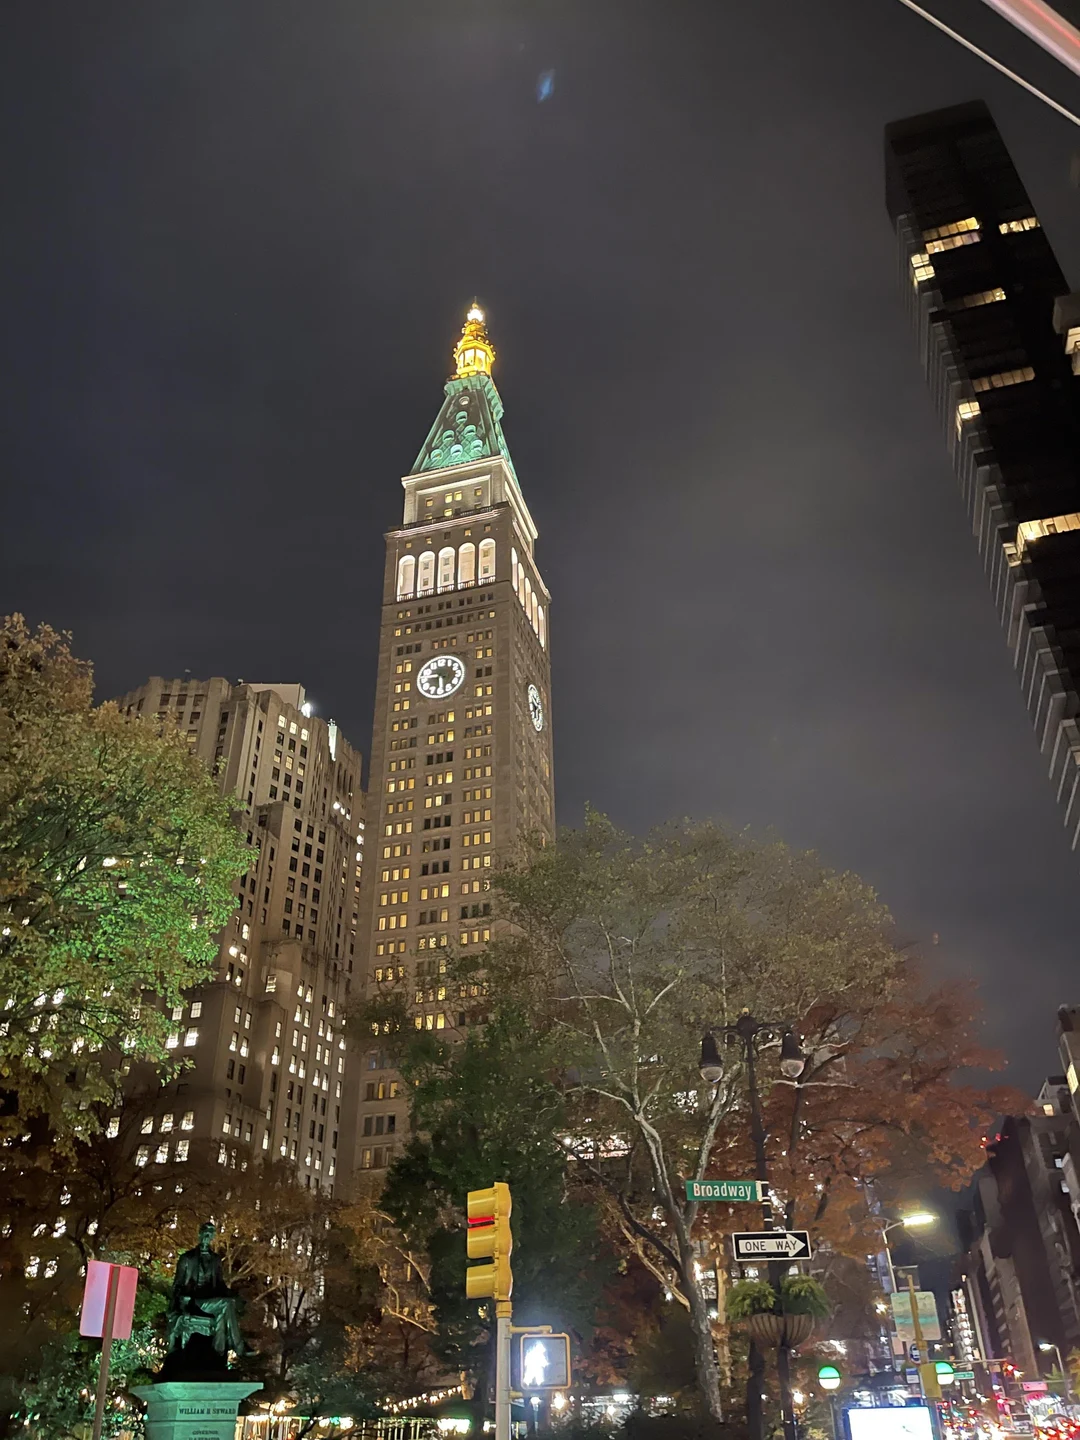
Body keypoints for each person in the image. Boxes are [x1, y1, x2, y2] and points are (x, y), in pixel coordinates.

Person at [166, 1221, 249, 1360]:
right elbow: (177, 1285)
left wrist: (235, 1296)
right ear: (199, 1234)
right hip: (193, 1301)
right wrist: (181, 1299)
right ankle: (239, 1347)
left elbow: (220, 1285)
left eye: (210, 1234)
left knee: (226, 1308)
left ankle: (217, 1356)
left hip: (210, 1301)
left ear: (212, 1237)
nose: (207, 1236)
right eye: (205, 1232)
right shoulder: (187, 1258)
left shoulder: (216, 1260)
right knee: (226, 1305)